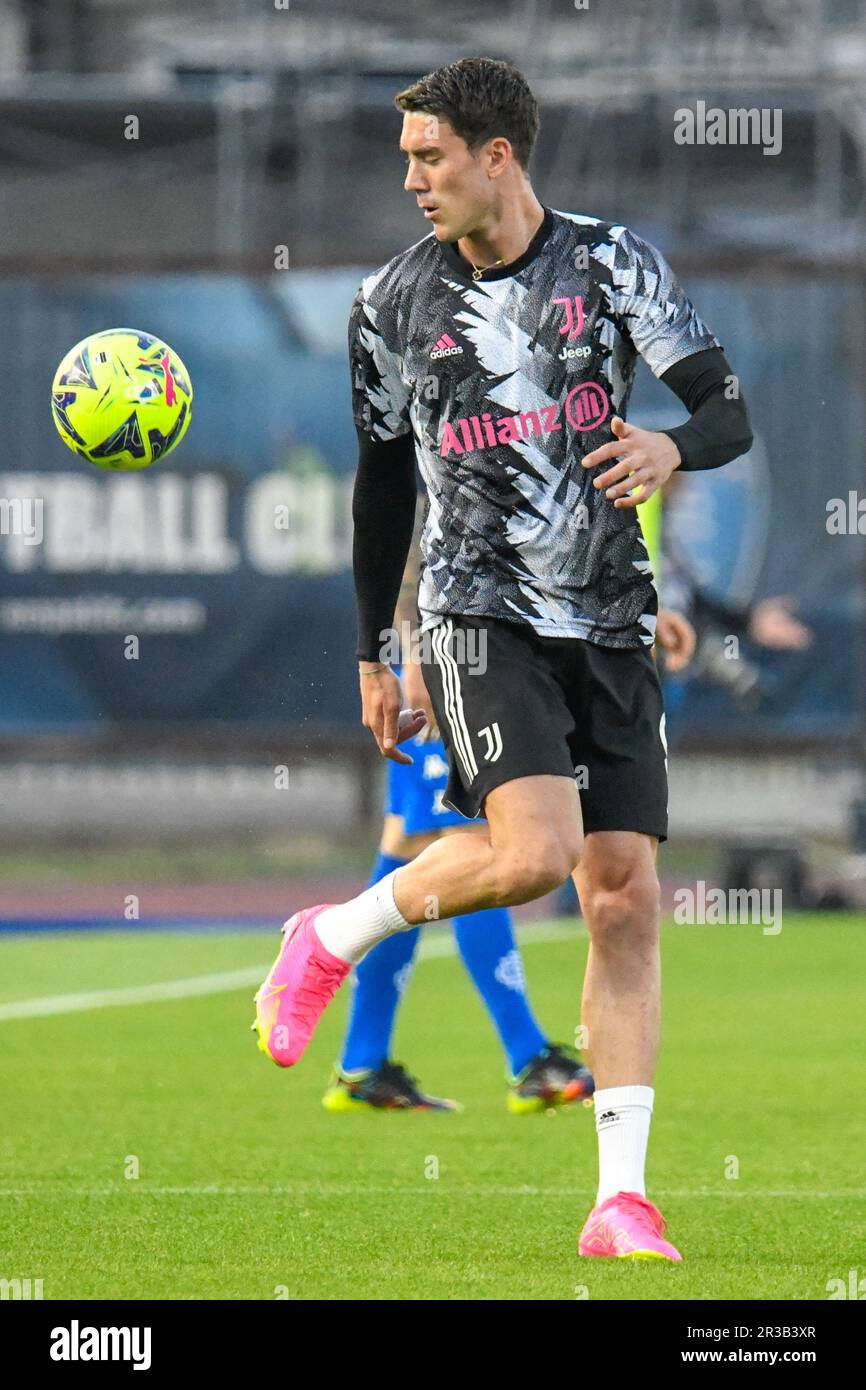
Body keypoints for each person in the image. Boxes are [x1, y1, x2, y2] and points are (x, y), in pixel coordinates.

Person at [255, 57, 753, 1262]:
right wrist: (382, 646)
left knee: (623, 897)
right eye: (406, 159)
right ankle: (333, 933)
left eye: (431, 157)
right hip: (478, 615)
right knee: (538, 853)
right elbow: (381, 490)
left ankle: (619, 1200)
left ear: (498, 157)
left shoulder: (610, 264)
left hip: (613, 620)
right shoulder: (387, 302)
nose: (413, 179)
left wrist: (668, 448)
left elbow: (724, 411)